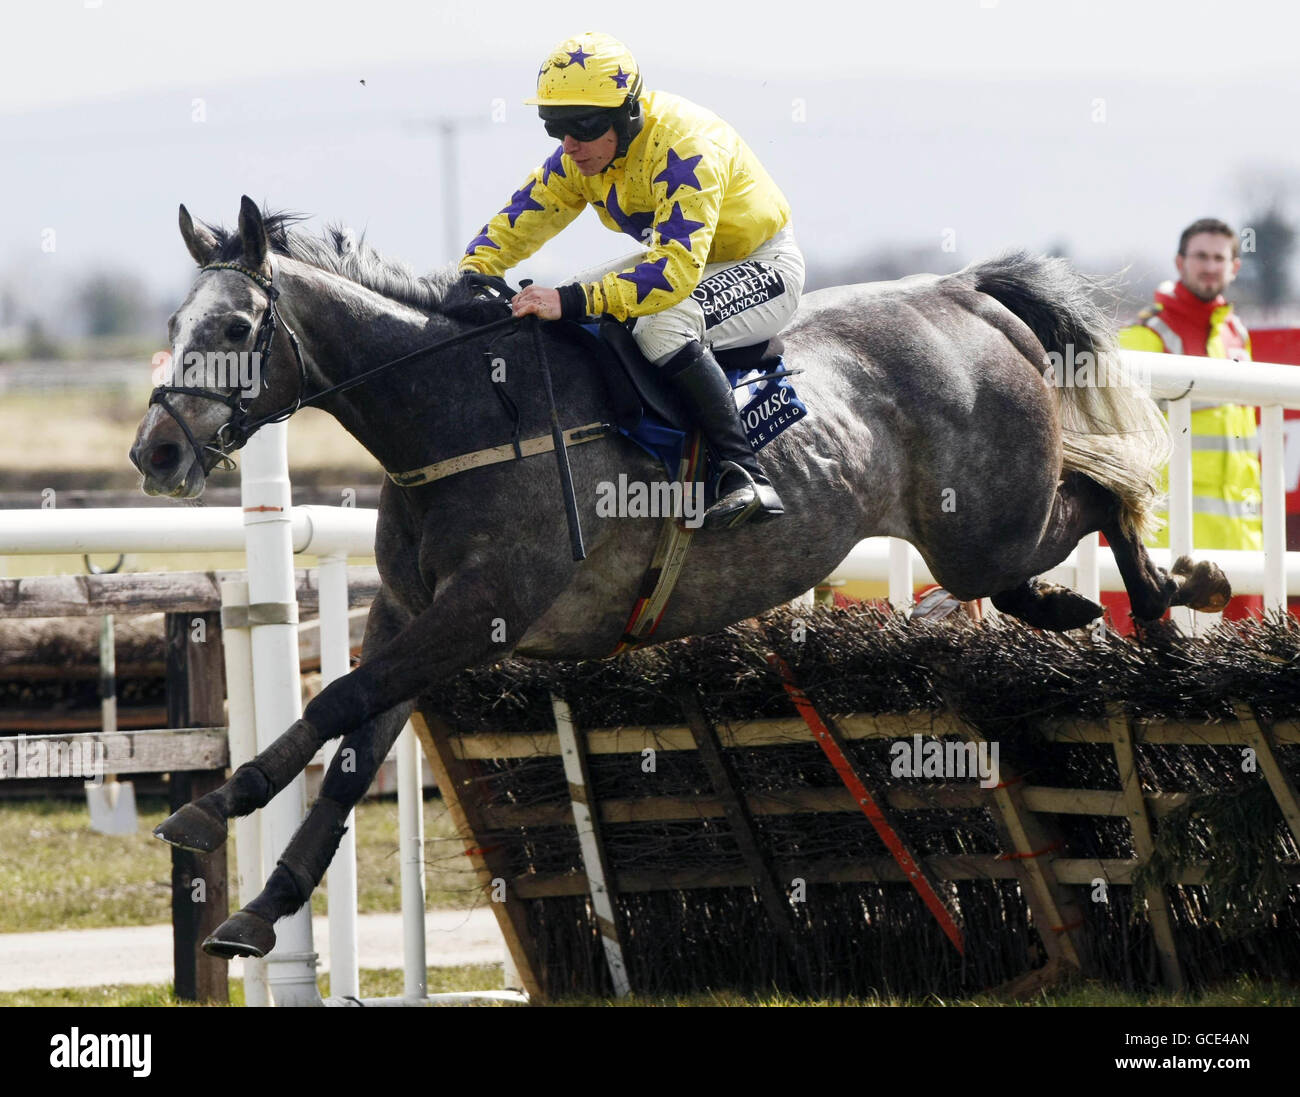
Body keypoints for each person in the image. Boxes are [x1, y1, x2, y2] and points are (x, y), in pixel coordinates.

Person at [458, 31, 805, 530]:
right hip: (688, 261)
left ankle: (745, 474)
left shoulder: (687, 145)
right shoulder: (581, 157)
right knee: (567, 305)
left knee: (656, 327)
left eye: (583, 126)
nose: (569, 144)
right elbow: (520, 220)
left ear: (628, 115)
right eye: (554, 128)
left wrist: (572, 300)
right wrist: (470, 275)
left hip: (765, 263)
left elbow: (675, 271)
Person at [1118, 217, 1263, 618]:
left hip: (1241, 545)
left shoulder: (1236, 333)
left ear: (1234, 267)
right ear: (1180, 262)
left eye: (1220, 257)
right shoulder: (1145, 335)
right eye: (1200, 255)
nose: (1210, 265)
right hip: (1171, 552)